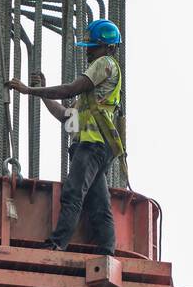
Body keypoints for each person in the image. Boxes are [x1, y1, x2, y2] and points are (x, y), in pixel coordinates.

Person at [7, 18, 124, 256]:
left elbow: (71, 88)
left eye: (93, 46)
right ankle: (106, 252)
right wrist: (43, 92)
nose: (89, 52)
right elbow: (65, 116)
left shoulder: (106, 63)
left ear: (108, 47)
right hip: (97, 147)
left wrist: (29, 91)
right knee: (99, 202)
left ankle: (57, 244)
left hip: (92, 146)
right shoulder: (91, 99)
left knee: (73, 193)